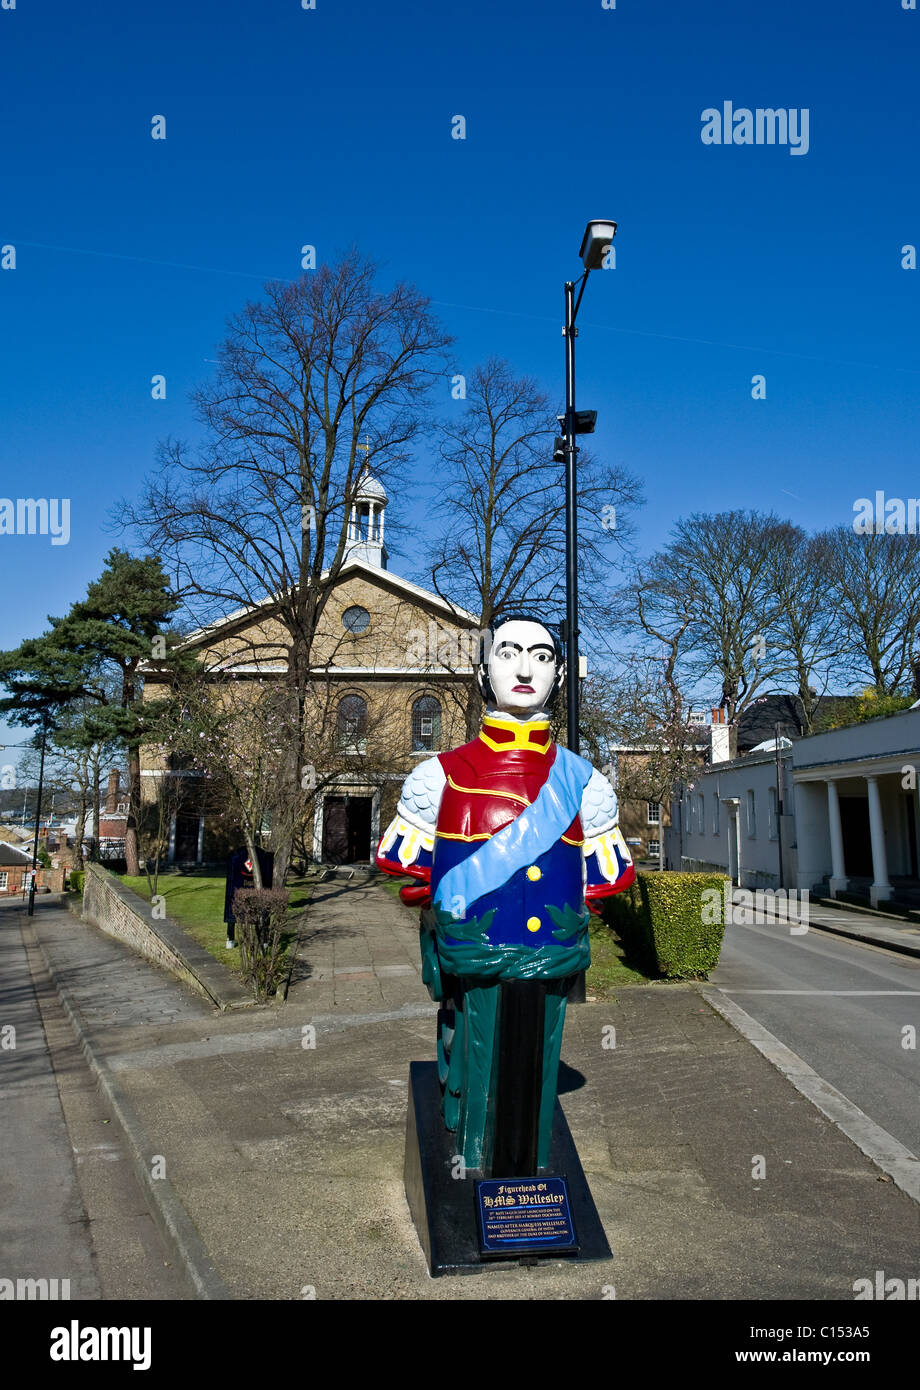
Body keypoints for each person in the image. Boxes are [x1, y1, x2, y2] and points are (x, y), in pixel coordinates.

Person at [376, 615, 634, 1171]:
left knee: (535, 1077)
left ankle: (524, 1171)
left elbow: (599, 881)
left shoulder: (585, 782)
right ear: (483, 668)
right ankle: (469, 1155)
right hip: (474, 960)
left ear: (559, 674)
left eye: (541, 657)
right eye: (509, 652)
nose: (524, 668)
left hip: (551, 958)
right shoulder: (439, 777)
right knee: (474, 1064)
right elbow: (416, 878)